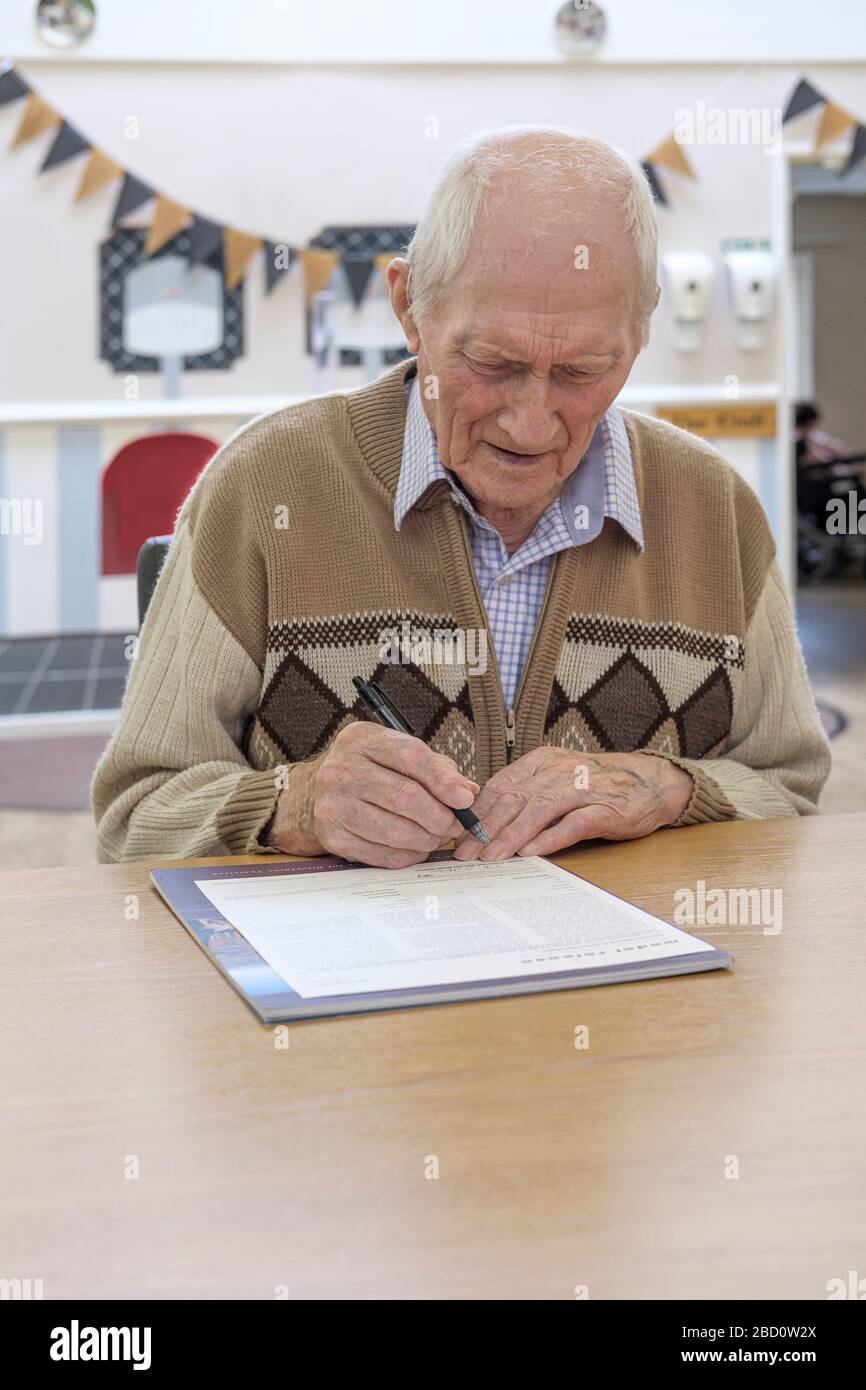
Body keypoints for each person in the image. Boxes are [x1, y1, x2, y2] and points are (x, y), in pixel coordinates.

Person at [92, 125, 831, 867]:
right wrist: (294, 802)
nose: (531, 421)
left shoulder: (717, 510)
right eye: (492, 361)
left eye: (583, 370)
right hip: (355, 979)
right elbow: (134, 815)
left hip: (636, 981)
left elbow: (791, 786)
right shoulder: (262, 487)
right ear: (409, 306)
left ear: (638, 336)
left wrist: (673, 787)